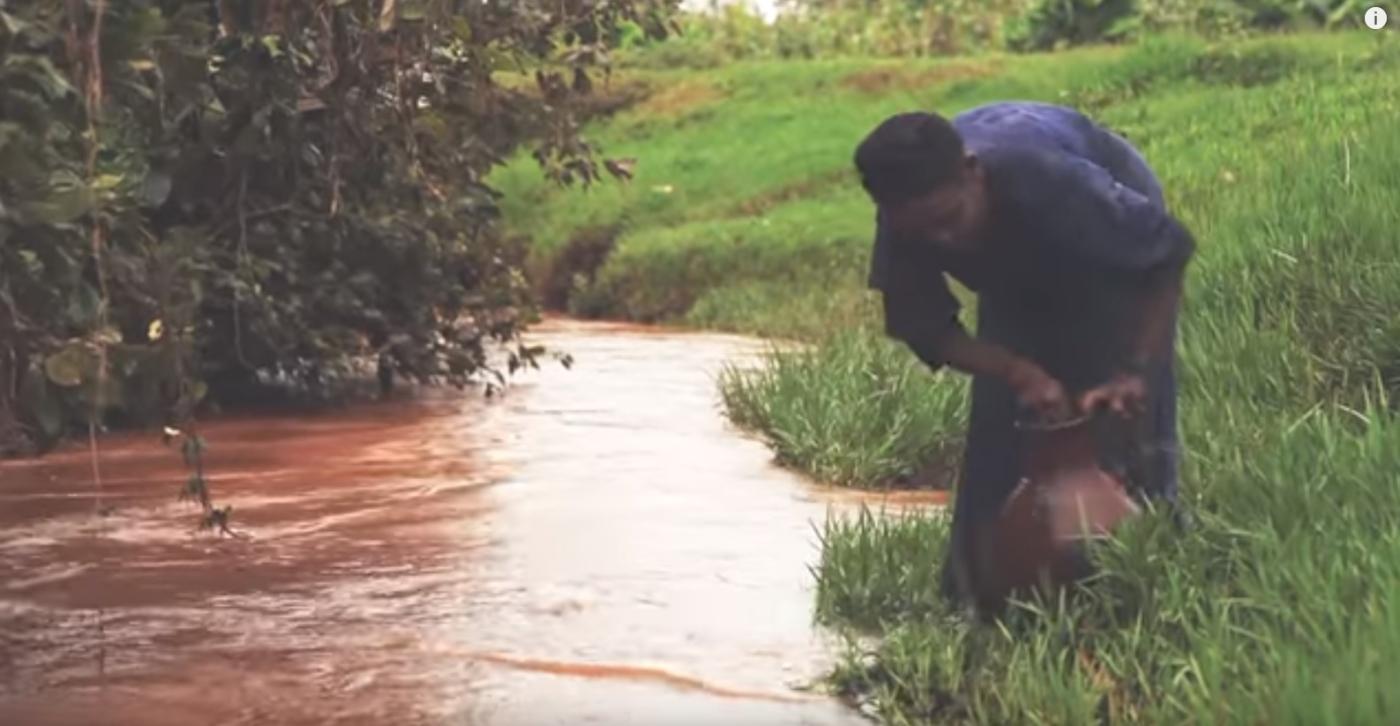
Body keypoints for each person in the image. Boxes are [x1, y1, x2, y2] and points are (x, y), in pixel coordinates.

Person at [853, 102, 1195, 611]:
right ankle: (979, 603)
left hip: (1109, 244)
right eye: (920, 232)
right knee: (1005, 430)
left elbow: (1164, 255)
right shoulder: (907, 220)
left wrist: (1133, 369)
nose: (941, 242)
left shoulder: (1054, 184)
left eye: (949, 220)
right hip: (1013, 265)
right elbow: (921, 327)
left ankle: (1150, 588)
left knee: (1123, 420)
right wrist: (1018, 372)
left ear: (973, 172)